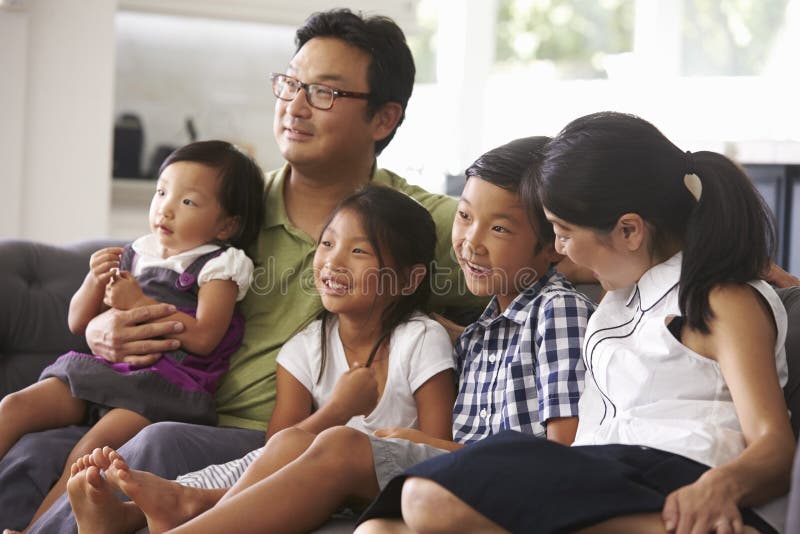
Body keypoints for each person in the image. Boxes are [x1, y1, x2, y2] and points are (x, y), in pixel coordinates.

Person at [0, 9, 483, 533]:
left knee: (155, 445)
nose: (295, 107)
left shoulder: (426, 224)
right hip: (160, 398)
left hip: (267, 435)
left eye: (324, 92)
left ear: (384, 118)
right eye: (290, 84)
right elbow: (138, 279)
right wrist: (101, 327)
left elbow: (529, 273)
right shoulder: (230, 208)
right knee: (36, 450)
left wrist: (447, 328)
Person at [65, 136, 595, 533]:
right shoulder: (483, 329)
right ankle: (179, 505)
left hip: (504, 483)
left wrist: (412, 438)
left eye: (499, 229)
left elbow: (560, 452)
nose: (471, 243)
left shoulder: (555, 313)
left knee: (339, 440)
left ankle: (183, 516)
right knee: (299, 439)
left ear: (555, 244)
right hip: (459, 468)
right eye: (463, 218)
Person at [357, 112, 795, 534]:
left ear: (628, 231)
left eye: (562, 231)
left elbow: (773, 447)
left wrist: (719, 487)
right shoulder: (622, 286)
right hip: (602, 478)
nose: (559, 251)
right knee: (380, 526)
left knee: (426, 498)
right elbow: (519, 281)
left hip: (679, 476)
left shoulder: (720, 299)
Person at [65, 183, 458, 533]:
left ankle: (182, 507)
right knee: (261, 457)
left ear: (408, 279)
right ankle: (133, 514)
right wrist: (336, 409)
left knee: (292, 450)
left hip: (380, 480)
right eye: (327, 243)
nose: (334, 261)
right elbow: (275, 449)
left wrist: (341, 412)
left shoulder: (420, 339)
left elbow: (439, 447)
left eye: (359, 251)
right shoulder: (306, 347)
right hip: (306, 468)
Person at [0, 140, 264, 532]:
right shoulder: (137, 251)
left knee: (86, 456)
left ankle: (33, 530)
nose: (166, 207)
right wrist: (93, 281)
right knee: (13, 405)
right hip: (104, 372)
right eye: (161, 192)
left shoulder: (220, 266)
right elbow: (76, 322)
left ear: (226, 225)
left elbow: (206, 336)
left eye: (188, 202)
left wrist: (138, 300)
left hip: (158, 390)